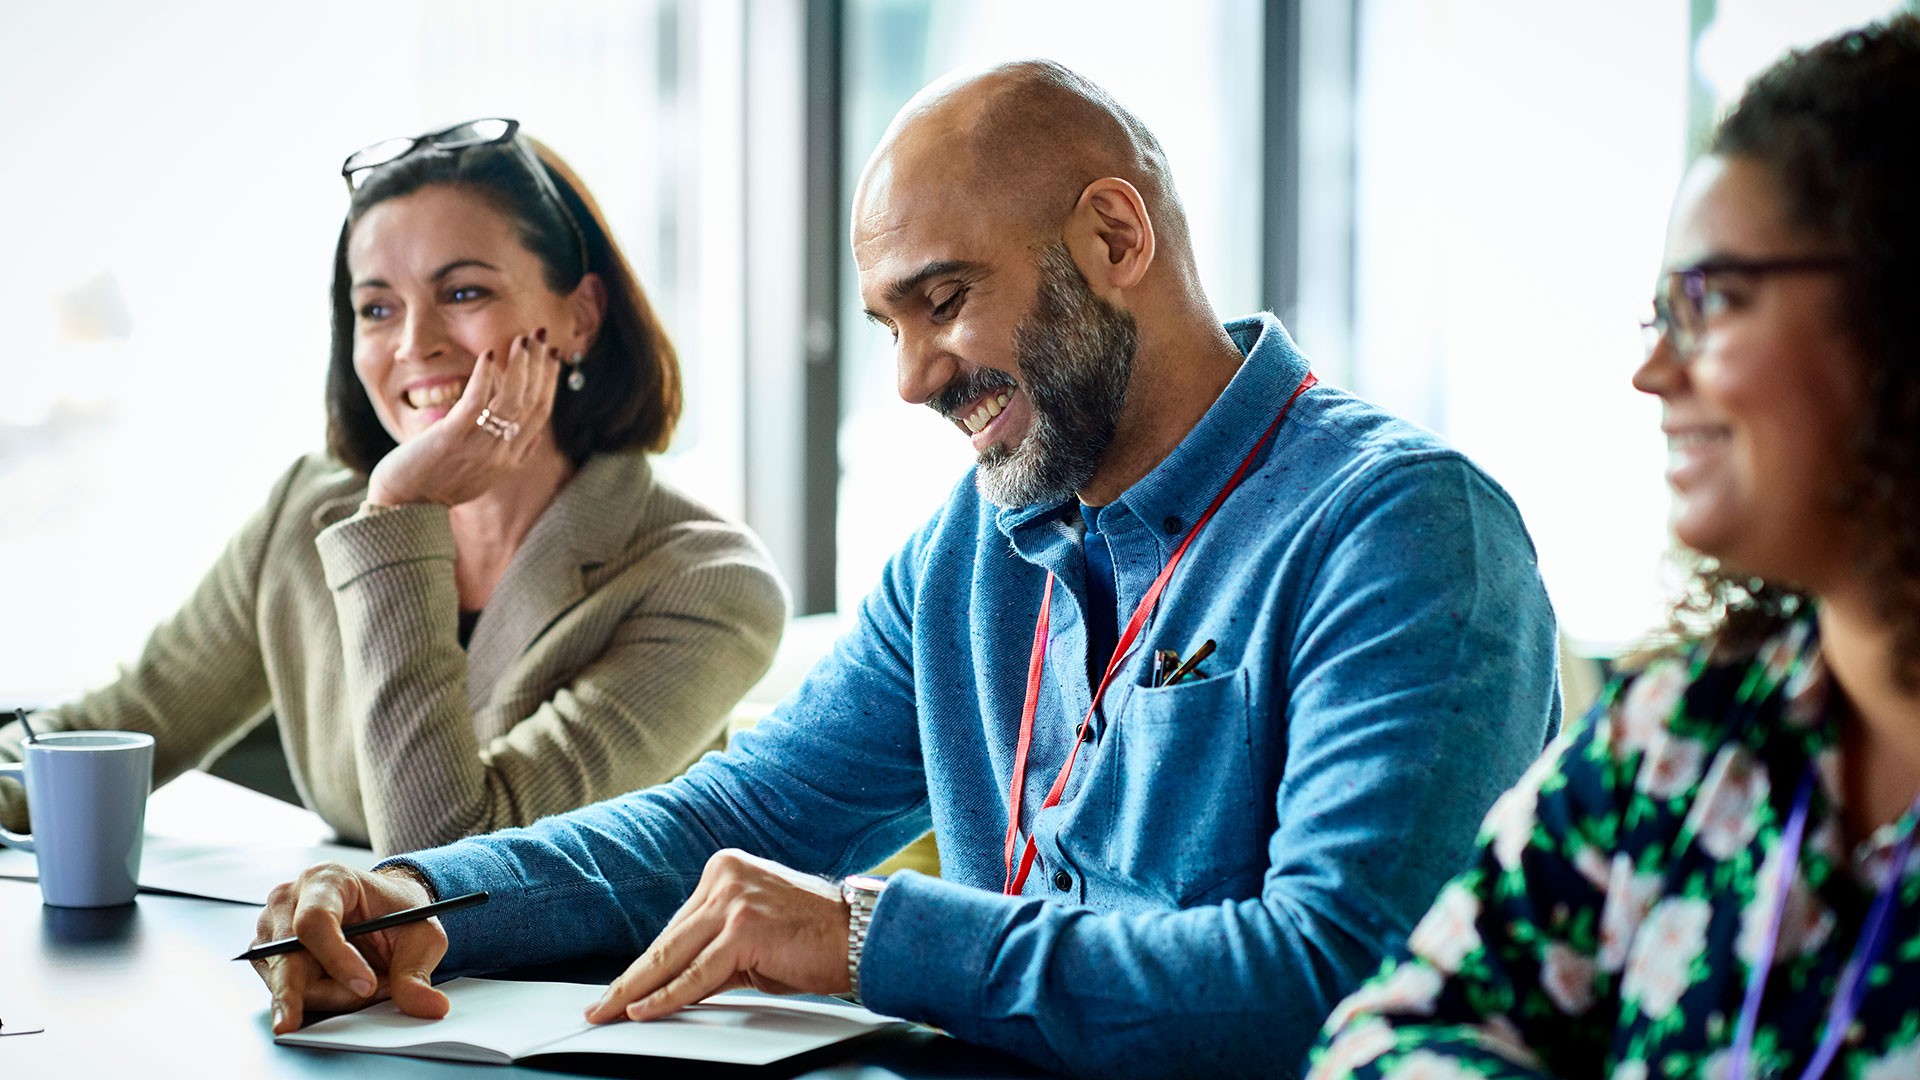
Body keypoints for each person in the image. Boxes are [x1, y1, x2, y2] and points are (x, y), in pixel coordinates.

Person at [253, 67, 1561, 1078]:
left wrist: (878, 934)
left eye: (942, 301)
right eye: (888, 323)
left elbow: (1337, 979)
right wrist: (419, 895)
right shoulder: (973, 549)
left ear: (1115, 237)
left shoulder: (1405, 532)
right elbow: (729, 823)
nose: (912, 379)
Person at [1308, 15, 1920, 1079]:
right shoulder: (1679, 737)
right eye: (1659, 314)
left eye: (1713, 301)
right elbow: (1384, 1033)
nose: (1652, 375)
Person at [0, 119, 787, 857]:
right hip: (342, 994)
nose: (415, 343)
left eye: (464, 292)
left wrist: (403, 514)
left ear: (580, 316)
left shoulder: (710, 585)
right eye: (377, 308)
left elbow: (448, 861)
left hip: (580, 998)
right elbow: (114, 727)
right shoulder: (308, 511)